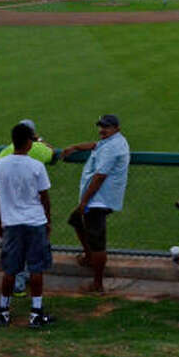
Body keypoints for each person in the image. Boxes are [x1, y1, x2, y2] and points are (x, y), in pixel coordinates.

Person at [0, 121, 55, 328]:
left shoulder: (0, 164)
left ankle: (3, 310)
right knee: (36, 268)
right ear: (28, 143)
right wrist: (48, 221)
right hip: (35, 222)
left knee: (10, 269)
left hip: (11, 223)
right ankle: (36, 312)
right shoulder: (37, 166)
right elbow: (44, 198)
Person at [63, 114, 130, 293]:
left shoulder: (112, 147)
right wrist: (76, 147)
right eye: (101, 126)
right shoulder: (112, 141)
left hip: (98, 200)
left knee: (97, 242)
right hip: (97, 198)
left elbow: (100, 177)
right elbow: (95, 145)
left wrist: (85, 201)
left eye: (106, 127)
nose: (102, 130)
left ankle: (98, 284)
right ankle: (89, 257)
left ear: (116, 128)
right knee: (76, 220)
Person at [0, 119, 59, 295]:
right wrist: (39, 140)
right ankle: (36, 304)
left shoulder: (4, 153)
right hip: (34, 215)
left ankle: (15, 291)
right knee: (35, 262)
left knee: (13, 258)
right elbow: (52, 153)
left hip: (10, 215)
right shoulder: (38, 149)